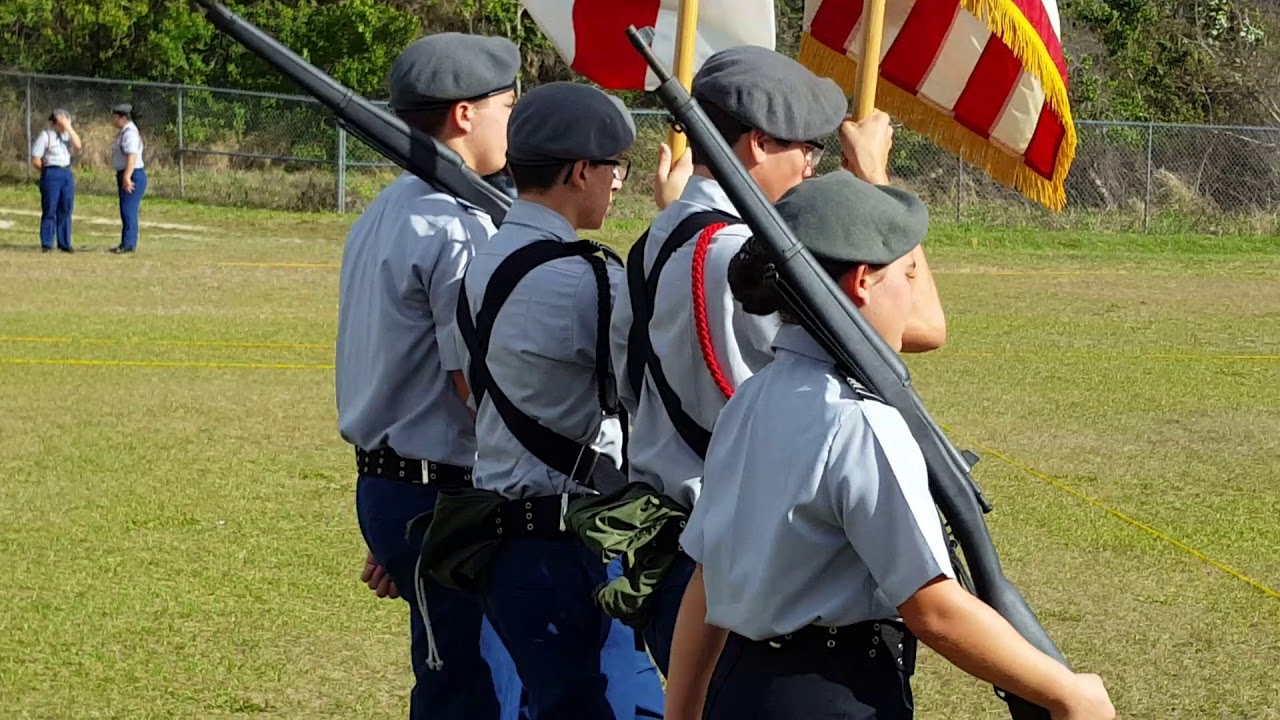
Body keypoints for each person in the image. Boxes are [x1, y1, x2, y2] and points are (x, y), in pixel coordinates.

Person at [664, 172, 1116, 720]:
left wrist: (683, 711)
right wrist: (1068, 693)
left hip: (741, 687)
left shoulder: (750, 400)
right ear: (862, 282)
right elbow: (933, 607)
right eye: (907, 273)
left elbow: (708, 580)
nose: (912, 295)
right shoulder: (861, 421)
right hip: (835, 695)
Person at [604, 45, 947, 676]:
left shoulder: (659, 235)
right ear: (758, 144)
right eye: (807, 151)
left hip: (692, 549)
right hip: (749, 568)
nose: (813, 169)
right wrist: (875, 183)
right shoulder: (751, 254)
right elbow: (923, 326)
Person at [450, 81, 665, 719]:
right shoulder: (586, 280)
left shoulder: (485, 259)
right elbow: (656, 383)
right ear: (580, 171)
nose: (618, 183)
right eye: (614, 168)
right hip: (570, 546)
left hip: (506, 543)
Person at [334, 33, 525, 720]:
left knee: (452, 673)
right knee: (466, 690)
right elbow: (470, 386)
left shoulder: (386, 209)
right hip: (437, 493)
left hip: (403, 488)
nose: (515, 118)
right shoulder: (455, 228)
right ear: (466, 115)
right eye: (509, 103)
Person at [31, 109, 81, 253]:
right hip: (51, 172)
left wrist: (69, 127)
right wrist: (47, 172)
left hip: (66, 172)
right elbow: (35, 159)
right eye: (65, 120)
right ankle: (47, 243)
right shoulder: (46, 136)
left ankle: (64, 242)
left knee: (66, 208)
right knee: (50, 208)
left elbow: (78, 145)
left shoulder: (67, 136)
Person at [109, 104, 148, 254]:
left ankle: (128, 244)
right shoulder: (124, 132)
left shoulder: (129, 133)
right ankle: (127, 241)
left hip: (132, 174)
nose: (114, 120)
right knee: (126, 210)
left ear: (123, 118)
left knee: (128, 210)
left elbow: (132, 155)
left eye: (116, 117)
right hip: (127, 172)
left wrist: (126, 176)